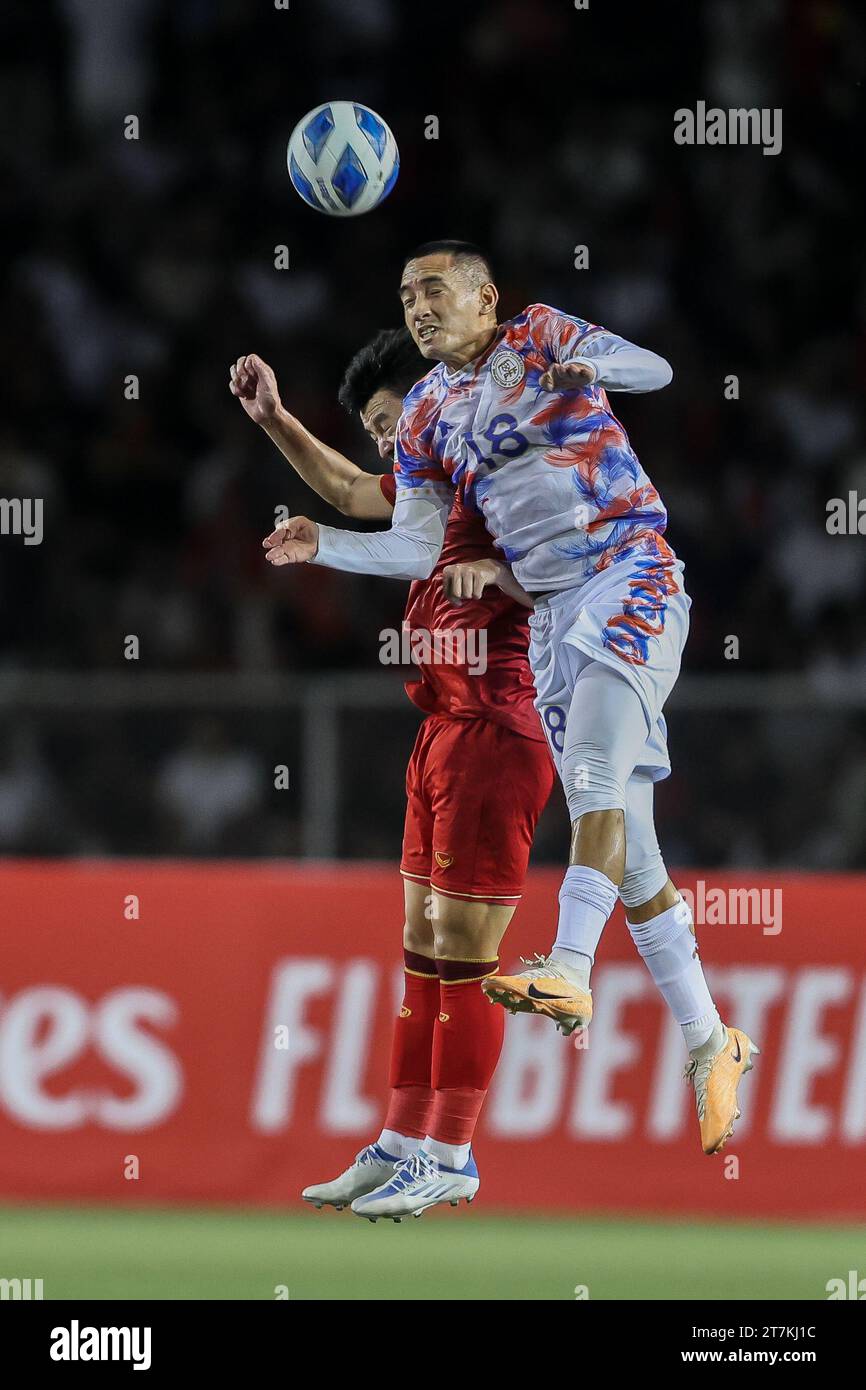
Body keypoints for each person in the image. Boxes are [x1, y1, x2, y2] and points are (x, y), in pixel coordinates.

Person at [255, 240, 759, 1166]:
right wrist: (321, 544)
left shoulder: (539, 337)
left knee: (599, 774)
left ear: (486, 298)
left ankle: (569, 966)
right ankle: (708, 1038)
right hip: (559, 612)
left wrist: (591, 362)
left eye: (434, 289)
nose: (417, 307)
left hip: (630, 570)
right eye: (406, 294)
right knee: (634, 856)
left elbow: (658, 368)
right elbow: (413, 546)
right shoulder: (431, 416)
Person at [230, 329, 555, 1219]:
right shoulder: (430, 492)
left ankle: (454, 1151)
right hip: (441, 734)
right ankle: (403, 1140)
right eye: (377, 428)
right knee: (421, 947)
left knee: (466, 954)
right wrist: (275, 420)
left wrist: (509, 577)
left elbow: (581, 572)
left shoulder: (507, 485)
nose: (385, 443)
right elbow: (342, 489)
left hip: (499, 730)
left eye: (390, 420)